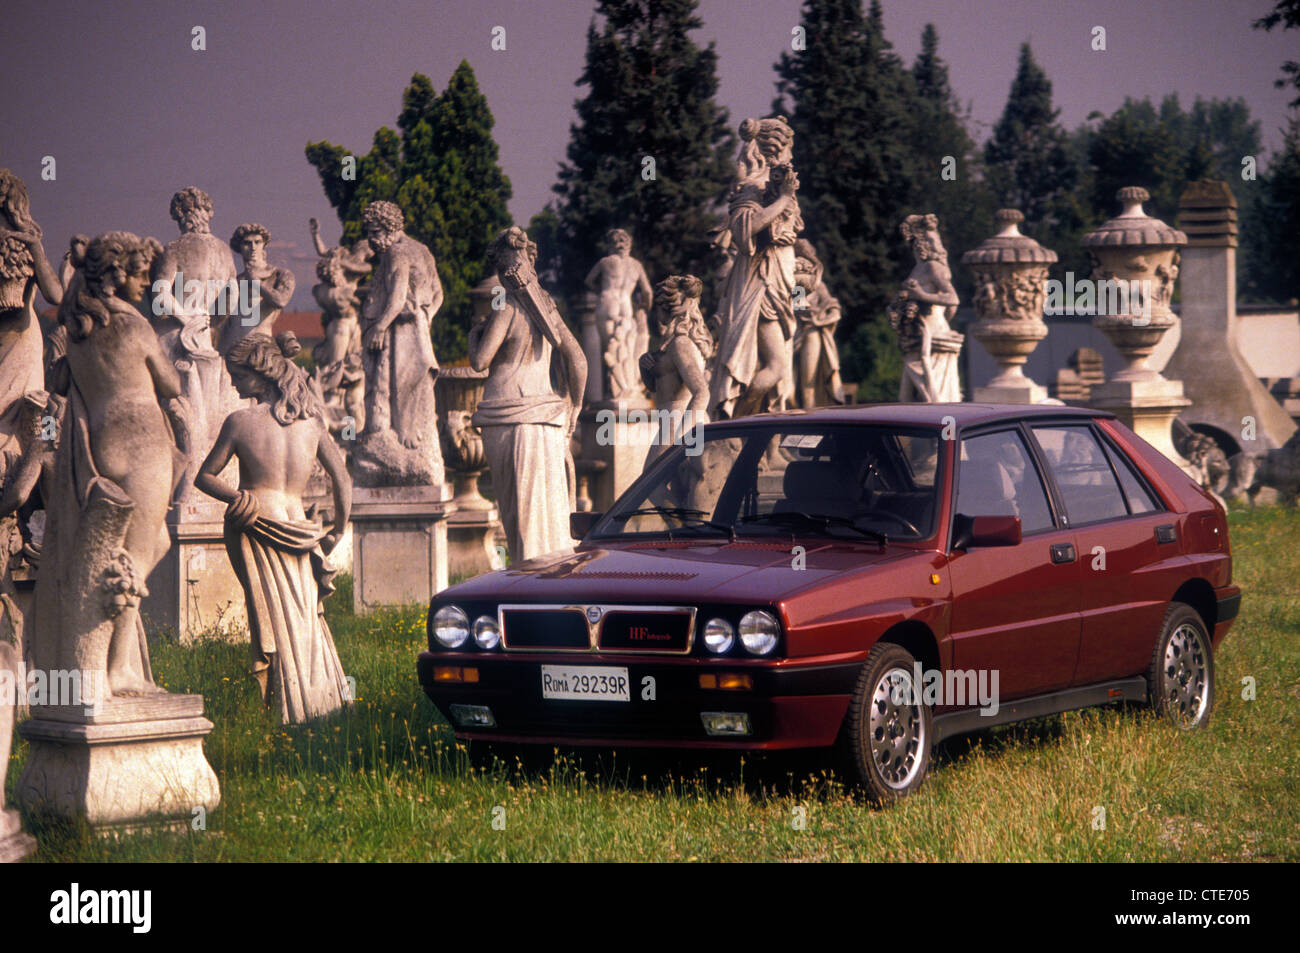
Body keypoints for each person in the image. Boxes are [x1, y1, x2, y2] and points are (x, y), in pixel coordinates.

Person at [195, 332, 352, 723]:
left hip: (256, 524)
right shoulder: (311, 423)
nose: (231, 382)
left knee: (270, 617)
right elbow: (343, 480)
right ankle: (319, 705)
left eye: (236, 373)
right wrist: (337, 530)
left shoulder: (240, 421)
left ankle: (288, 709)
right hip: (299, 525)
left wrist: (235, 498)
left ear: (258, 371)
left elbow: (204, 476)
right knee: (303, 617)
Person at [471, 226, 585, 562]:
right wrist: (573, 406)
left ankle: (526, 580)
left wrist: (475, 333)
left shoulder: (506, 305)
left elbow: (479, 362)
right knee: (547, 512)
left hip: (507, 411)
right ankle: (553, 582)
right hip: (547, 414)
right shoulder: (546, 306)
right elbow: (578, 358)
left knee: (518, 515)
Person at [708, 117, 803, 420]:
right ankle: (735, 424)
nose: (790, 154)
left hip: (778, 283)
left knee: (777, 370)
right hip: (759, 285)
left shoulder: (774, 184)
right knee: (776, 367)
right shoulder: (754, 185)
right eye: (788, 146)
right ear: (776, 148)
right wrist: (784, 199)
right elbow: (742, 229)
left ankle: (751, 434)